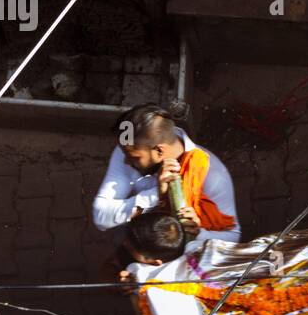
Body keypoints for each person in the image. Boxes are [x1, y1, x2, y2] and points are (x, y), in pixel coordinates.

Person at [92, 104, 239, 242]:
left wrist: (198, 233)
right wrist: (157, 194)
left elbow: (233, 236)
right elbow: (101, 217)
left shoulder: (214, 176)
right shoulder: (130, 146)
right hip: (135, 233)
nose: (126, 162)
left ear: (159, 151)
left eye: (134, 158)